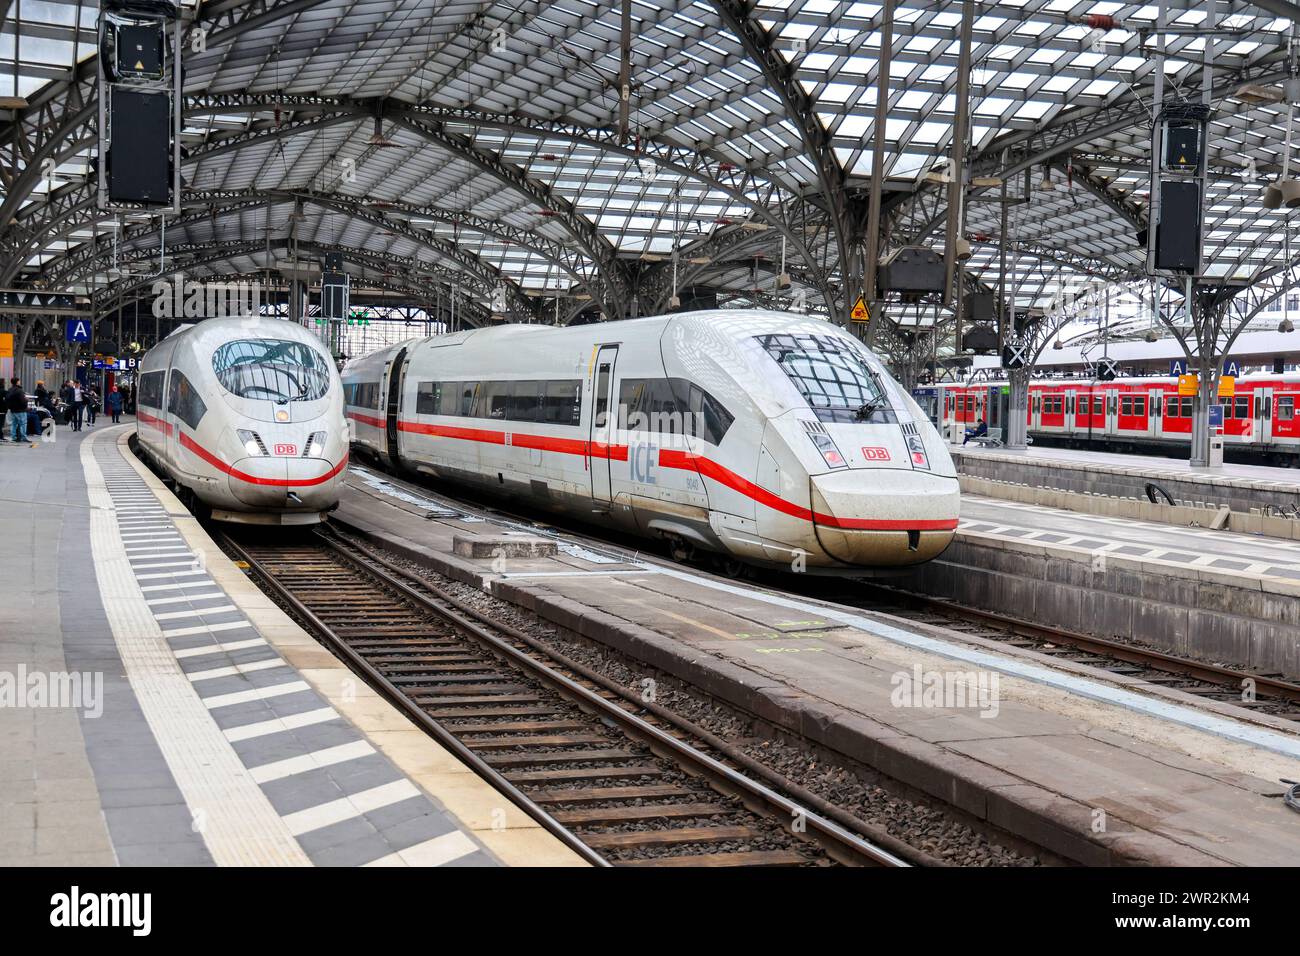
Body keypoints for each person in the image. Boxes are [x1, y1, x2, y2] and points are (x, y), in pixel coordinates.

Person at [5, 378, 29, 444]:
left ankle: (13, 437)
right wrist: (26, 401)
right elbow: (22, 401)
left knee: (14, 424)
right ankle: (23, 437)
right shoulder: (19, 390)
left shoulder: (9, 390)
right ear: (17, 382)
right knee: (23, 423)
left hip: (13, 410)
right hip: (20, 410)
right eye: (19, 381)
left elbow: (7, 399)